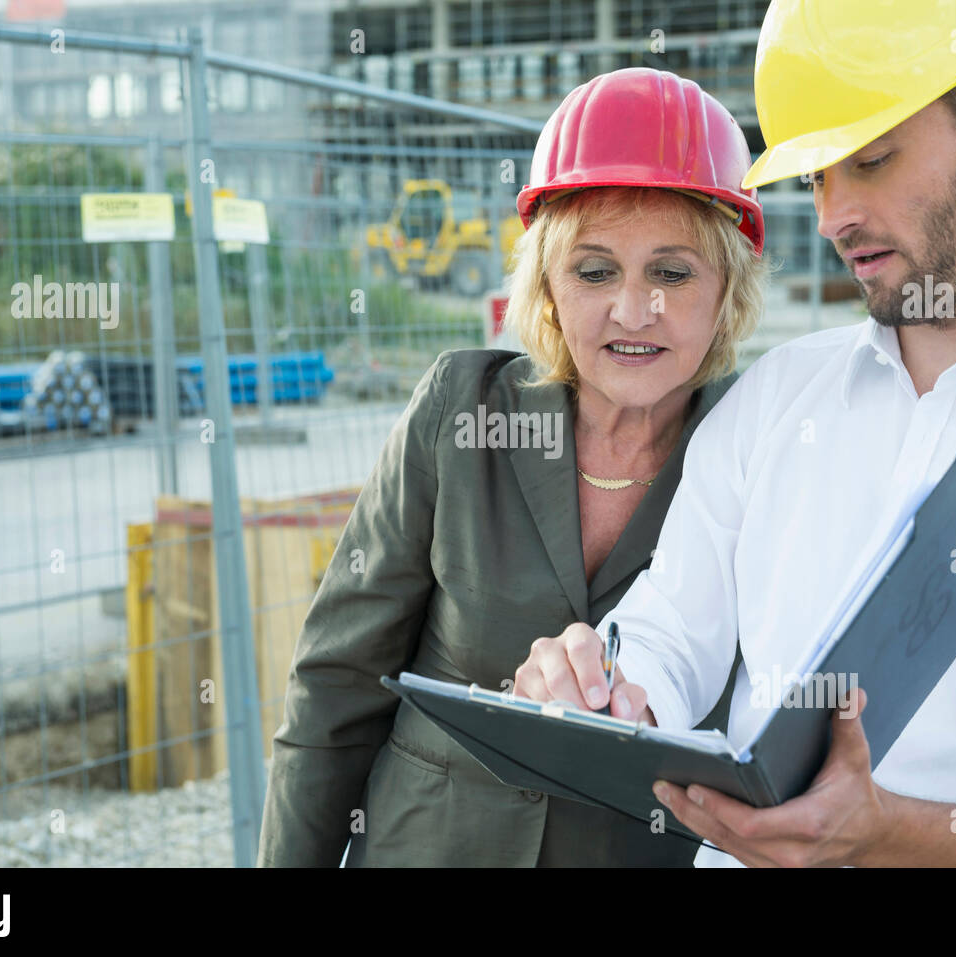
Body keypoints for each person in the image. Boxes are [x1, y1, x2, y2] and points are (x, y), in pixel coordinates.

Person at [513, 0, 956, 867]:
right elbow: (668, 641)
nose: (833, 216)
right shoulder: (773, 401)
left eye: (871, 160)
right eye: (818, 177)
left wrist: (894, 832)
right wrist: (599, 690)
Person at [256, 67, 769, 867]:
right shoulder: (461, 412)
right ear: (548, 286)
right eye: (594, 270)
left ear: (727, 289)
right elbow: (335, 686)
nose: (633, 312)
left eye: (672, 272)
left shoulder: (757, 447)